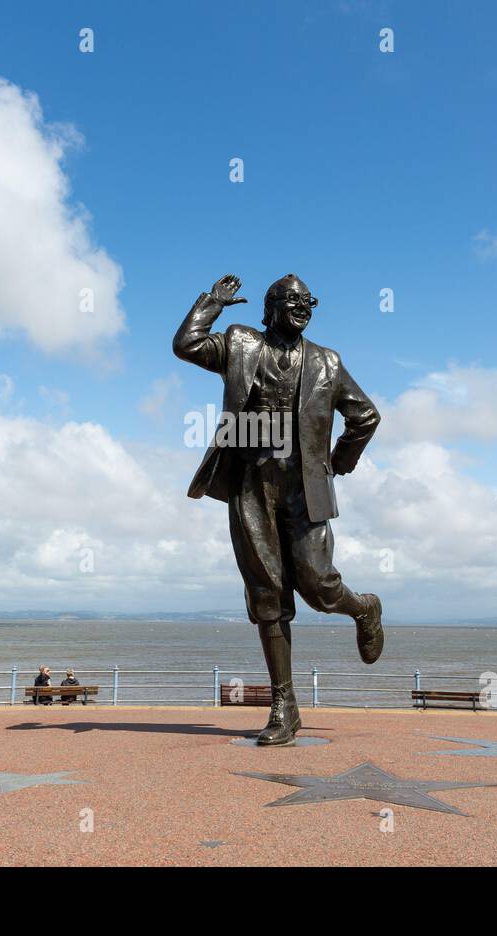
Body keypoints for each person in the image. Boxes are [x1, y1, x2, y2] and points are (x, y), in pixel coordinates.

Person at [173, 273, 385, 746]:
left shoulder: (327, 362)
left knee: (318, 585)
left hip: (304, 487)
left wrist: (338, 462)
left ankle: (364, 608)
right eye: (292, 300)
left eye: (309, 301)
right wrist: (212, 303)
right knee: (267, 593)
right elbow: (186, 345)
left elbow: (365, 416)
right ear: (270, 308)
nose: (302, 306)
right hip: (251, 482)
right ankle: (284, 706)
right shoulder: (240, 344)